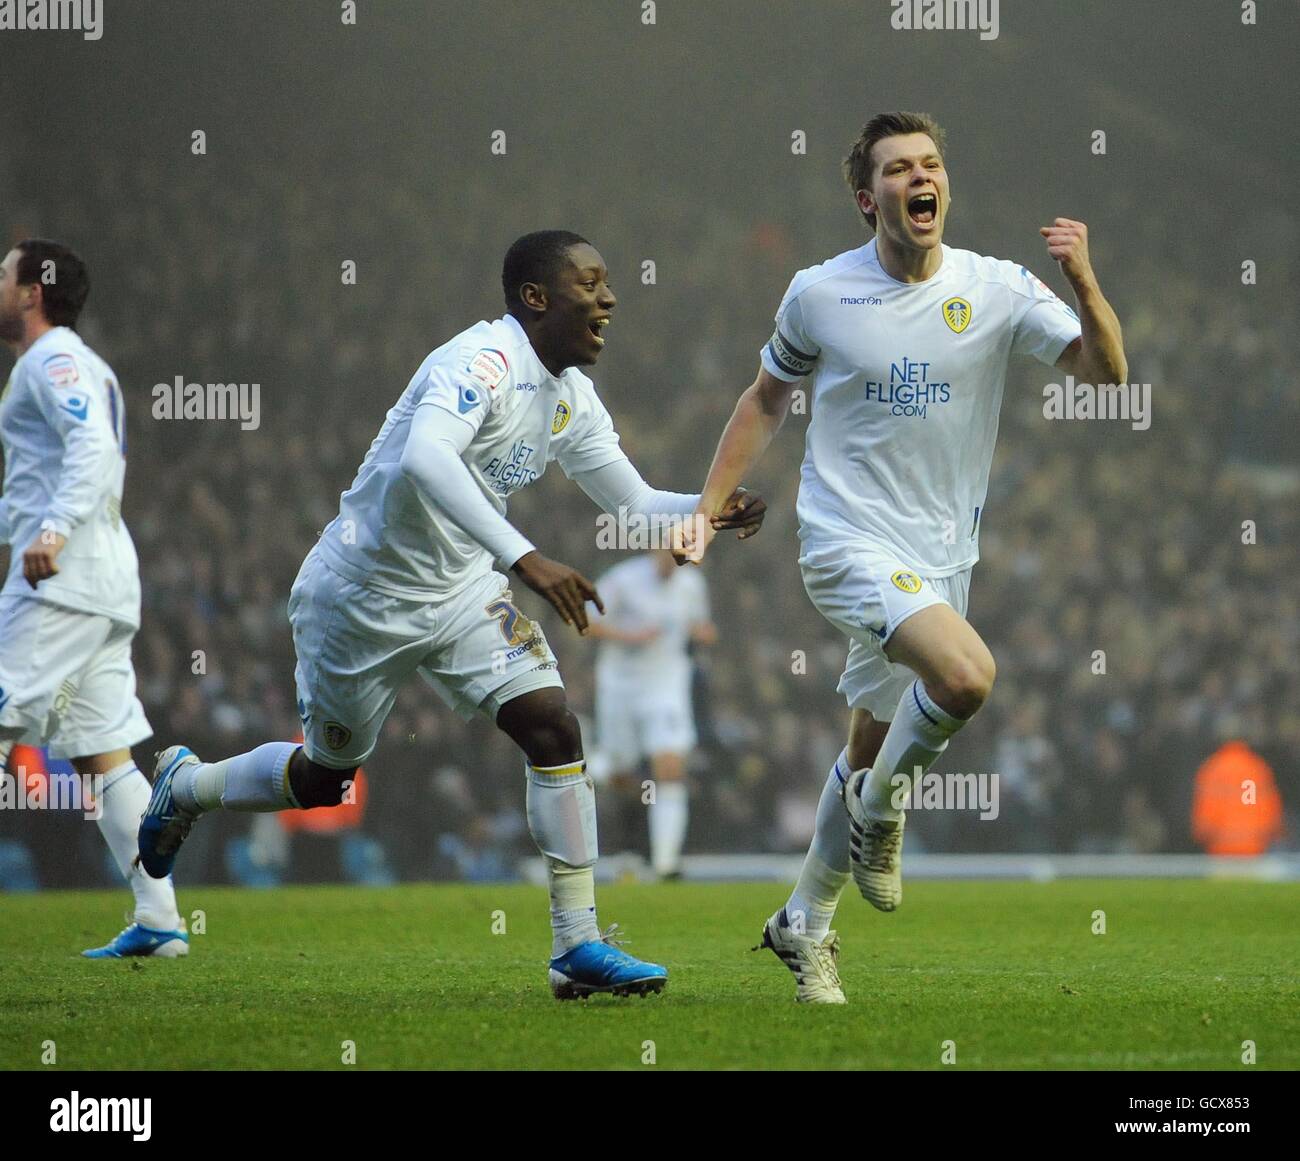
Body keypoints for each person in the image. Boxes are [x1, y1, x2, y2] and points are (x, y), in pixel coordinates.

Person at [138, 230, 765, 998]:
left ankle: (577, 945)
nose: (610, 298)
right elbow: (426, 457)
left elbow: (634, 504)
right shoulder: (479, 362)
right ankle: (188, 786)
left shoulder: (569, 395)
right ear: (537, 297)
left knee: (552, 724)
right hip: (361, 596)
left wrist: (707, 508)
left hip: (463, 594)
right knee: (325, 777)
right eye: (591, 283)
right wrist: (524, 557)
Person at [678, 113, 1126, 1002]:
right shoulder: (819, 294)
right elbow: (768, 399)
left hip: (942, 555)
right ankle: (883, 812)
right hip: (844, 538)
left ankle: (804, 921)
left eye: (929, 164)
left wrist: (1083, 279)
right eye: (896, 169)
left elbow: (1107, 376)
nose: (918, 178)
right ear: (866, 197)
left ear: (944, 186)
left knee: (873, 739)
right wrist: (705, 505)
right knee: (964, 678)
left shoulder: (996, 287)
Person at [0, 238, 187, 957]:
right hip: (99, 577)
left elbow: (92, 447)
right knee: (102, 753)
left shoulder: (55, 360)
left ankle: (162, 918)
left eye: (3, 274)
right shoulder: (62, 363)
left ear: (31, 292)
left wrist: (50, 529)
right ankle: (162, 918)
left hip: (63, 578)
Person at [587, 549, 716, 879]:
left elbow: (699, 626)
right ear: (655, 549)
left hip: (666, 686)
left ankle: (666, 863)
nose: (674, 561)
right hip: (620, 687)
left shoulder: (691, 584)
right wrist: (630, 637)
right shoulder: (622, 579)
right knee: (622, 775)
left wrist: (702, 633)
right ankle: (596, 766)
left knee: (670, 767)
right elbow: (585, 622)